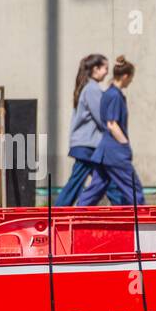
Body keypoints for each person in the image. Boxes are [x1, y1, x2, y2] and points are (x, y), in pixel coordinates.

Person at [57, 54, 127, 206]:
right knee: (80, 183)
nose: (107, 72)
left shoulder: (89, 88)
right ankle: (58, 212)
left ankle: (124, 210)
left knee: (105, 180)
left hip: (88, 145)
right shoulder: (92, 89)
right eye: (105, 68)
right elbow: (102, 118)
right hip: (88, 146)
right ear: (96, 69)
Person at [85, 56, 145, 206]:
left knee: (96, 189)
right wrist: (125, 145)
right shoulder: (115, 96)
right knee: (133, 189)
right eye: (131, 77)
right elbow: (112, 124)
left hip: (104, 152)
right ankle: (143, 223)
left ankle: (77, 216)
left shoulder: (109, 93)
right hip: (115, 151)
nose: (131, 81)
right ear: (125, 76)